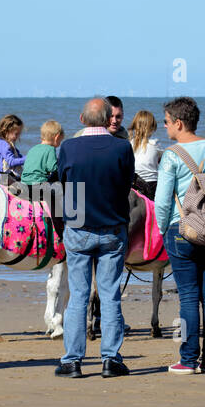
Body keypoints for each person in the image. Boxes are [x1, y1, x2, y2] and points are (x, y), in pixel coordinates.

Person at [55, 98, 134, 378]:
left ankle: (72, 361)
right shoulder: (122, 147)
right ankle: (110, 359)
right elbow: (126, 184)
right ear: (106, 119)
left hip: (79, 225)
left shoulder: (68, 147)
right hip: (112, 225)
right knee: (110, 295)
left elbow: (63, 182)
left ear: (81, 119)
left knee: (78, 295)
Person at [154, 96, 205, 373]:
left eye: (165, 122)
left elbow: (162, 201)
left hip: (182, 229)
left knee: (188, 297)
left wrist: (160, 229)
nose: (164, 128)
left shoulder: (173, 155)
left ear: (178, 122)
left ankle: (188, 360)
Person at [20, 120, 63, 189]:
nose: (59, 144)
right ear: (56, 137)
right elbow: (52, 168)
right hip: (38, 185)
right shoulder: (50, 149)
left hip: (24, 184)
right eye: (60, 141)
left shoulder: (33, 148)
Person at [129, 110, 162, 199]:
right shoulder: (155, 144)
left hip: (135, 184)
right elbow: (160, 160)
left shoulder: (129, 144)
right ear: (152, 128)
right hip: (152, 184)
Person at [0, 115, 26, 185]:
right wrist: (28, 159)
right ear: (6, 131)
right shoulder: (3, 144)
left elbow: (19, 157)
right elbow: (11, 161)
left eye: (19, 134)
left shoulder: (9, 144)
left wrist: (32, 157)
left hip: (4, 177)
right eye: (16, 134)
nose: (18, 137)